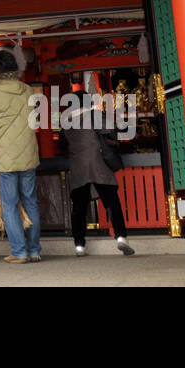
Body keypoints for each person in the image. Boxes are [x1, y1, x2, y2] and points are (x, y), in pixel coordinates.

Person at [0, 51, 41, 264]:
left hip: (5, 156)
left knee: (9, 203)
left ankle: (19, 251)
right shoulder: (28, 91)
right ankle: (34, 250)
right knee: (31, 201)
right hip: (28, 152)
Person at [63, 97, 134, 257]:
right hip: (98, 164)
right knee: (111, 202)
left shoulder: (66, 123)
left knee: (79, 208)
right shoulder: (94, 115)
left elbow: (63, 144)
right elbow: (111, 131)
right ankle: (121, 237)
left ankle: (79, 245)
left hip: (78, 168)